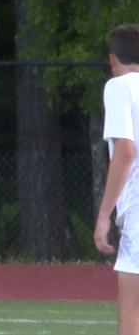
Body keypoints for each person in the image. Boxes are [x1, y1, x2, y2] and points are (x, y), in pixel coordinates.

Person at [95, 24, 139, 334]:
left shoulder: (119, 87)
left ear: (112, 59)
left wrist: (104, 216)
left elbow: (124, 151)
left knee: (130, 313)